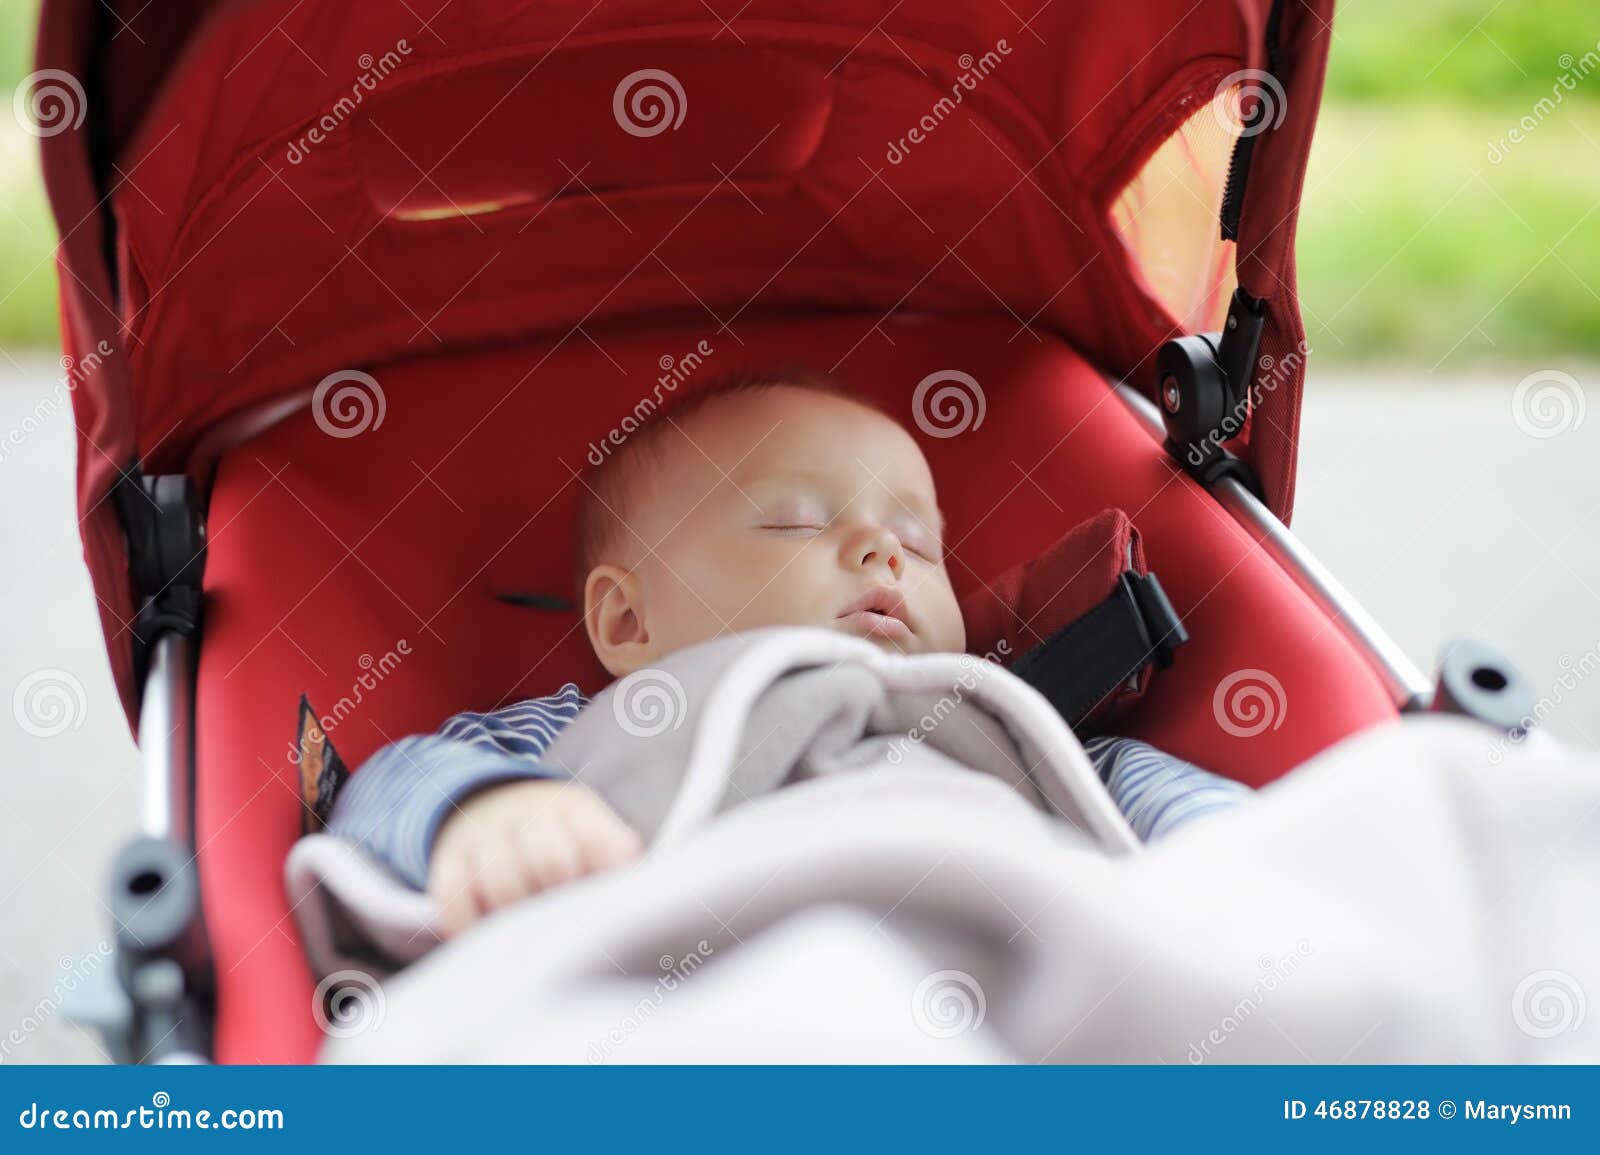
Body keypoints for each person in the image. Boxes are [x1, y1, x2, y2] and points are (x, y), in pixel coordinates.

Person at [328, 371, 1249, 935]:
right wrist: (482, 816)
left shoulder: (1010, 725)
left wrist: (1242, 867)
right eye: (793, 523)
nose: (883, 552)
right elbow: (386, 780)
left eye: (919, 543)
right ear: (625, 626)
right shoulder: (581, 731)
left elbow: (1200, 826)